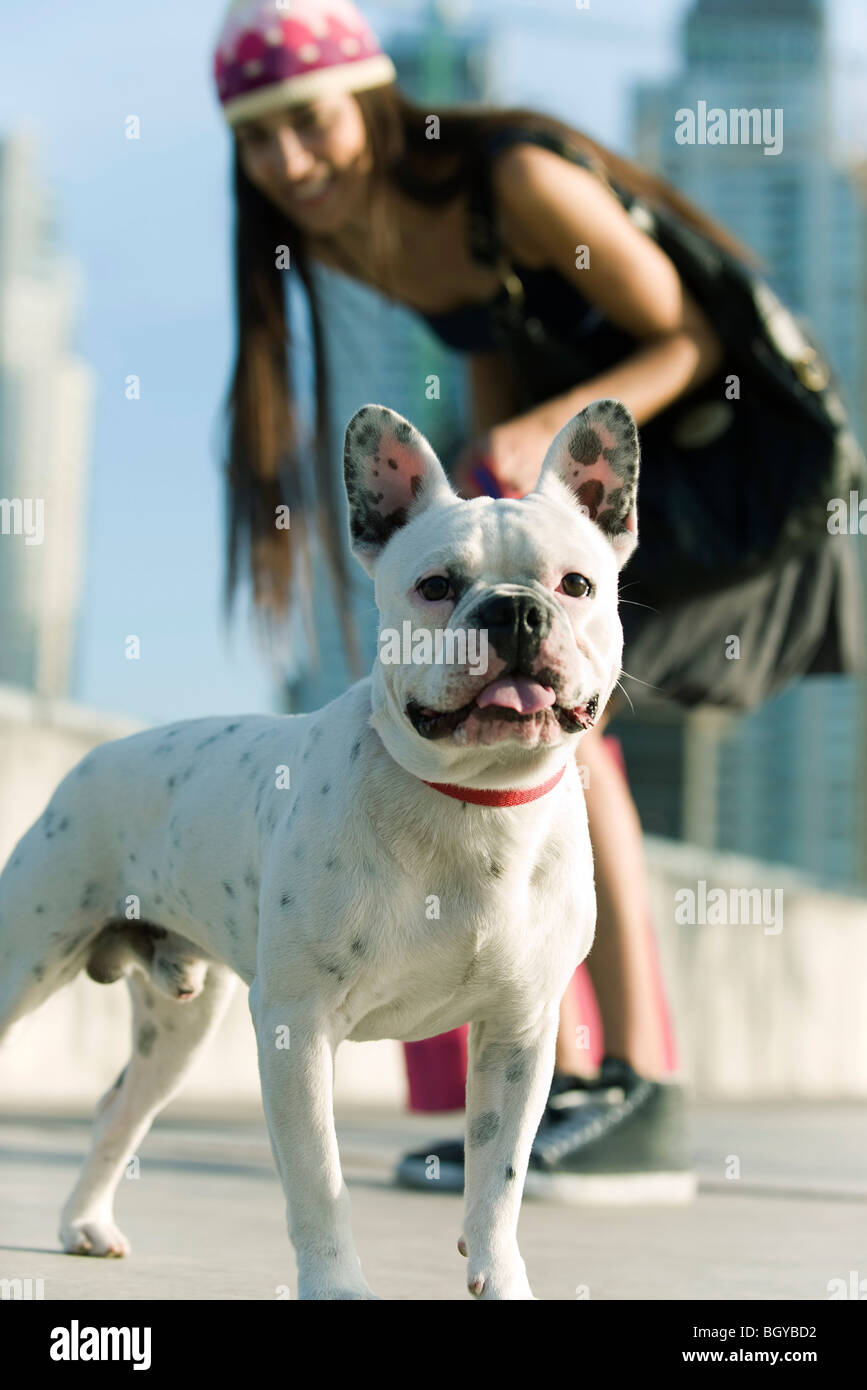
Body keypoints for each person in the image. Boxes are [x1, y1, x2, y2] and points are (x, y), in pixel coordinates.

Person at [211, 0, 865, 1201]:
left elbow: (681, 334)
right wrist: (485, 453)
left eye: (307, 123)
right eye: (258, 140)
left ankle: (631, 1078)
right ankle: (545, 1076)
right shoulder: (355, 232)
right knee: (526, 715)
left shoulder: (510, 175)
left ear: (367, 99)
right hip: (566, 467)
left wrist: (539, 439)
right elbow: (494, 339)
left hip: (710, 446)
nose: (290, 161)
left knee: (572, 728)